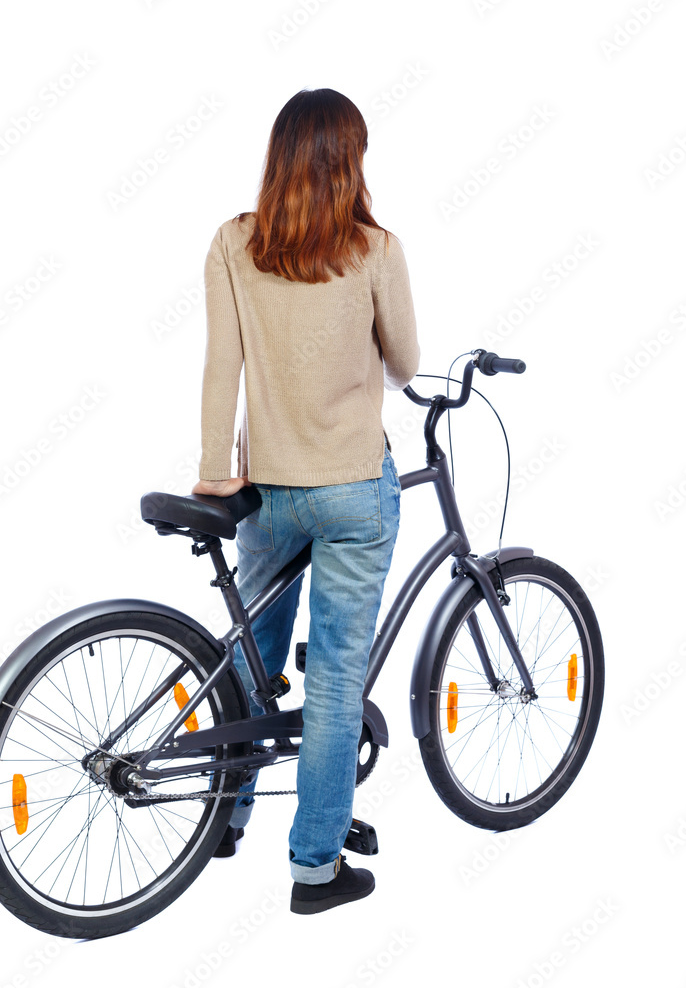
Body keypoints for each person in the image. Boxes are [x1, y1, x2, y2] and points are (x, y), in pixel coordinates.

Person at [192, 87, 420, 914]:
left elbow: (222, 362)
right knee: (332, 680)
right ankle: (316, 870)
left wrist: (215, 468)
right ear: (350, 161)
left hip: (267, 495)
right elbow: (406, 364)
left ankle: (222, 821)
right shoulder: (375, 249)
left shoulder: (234, 243)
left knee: (251, 663)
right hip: (354, 490)